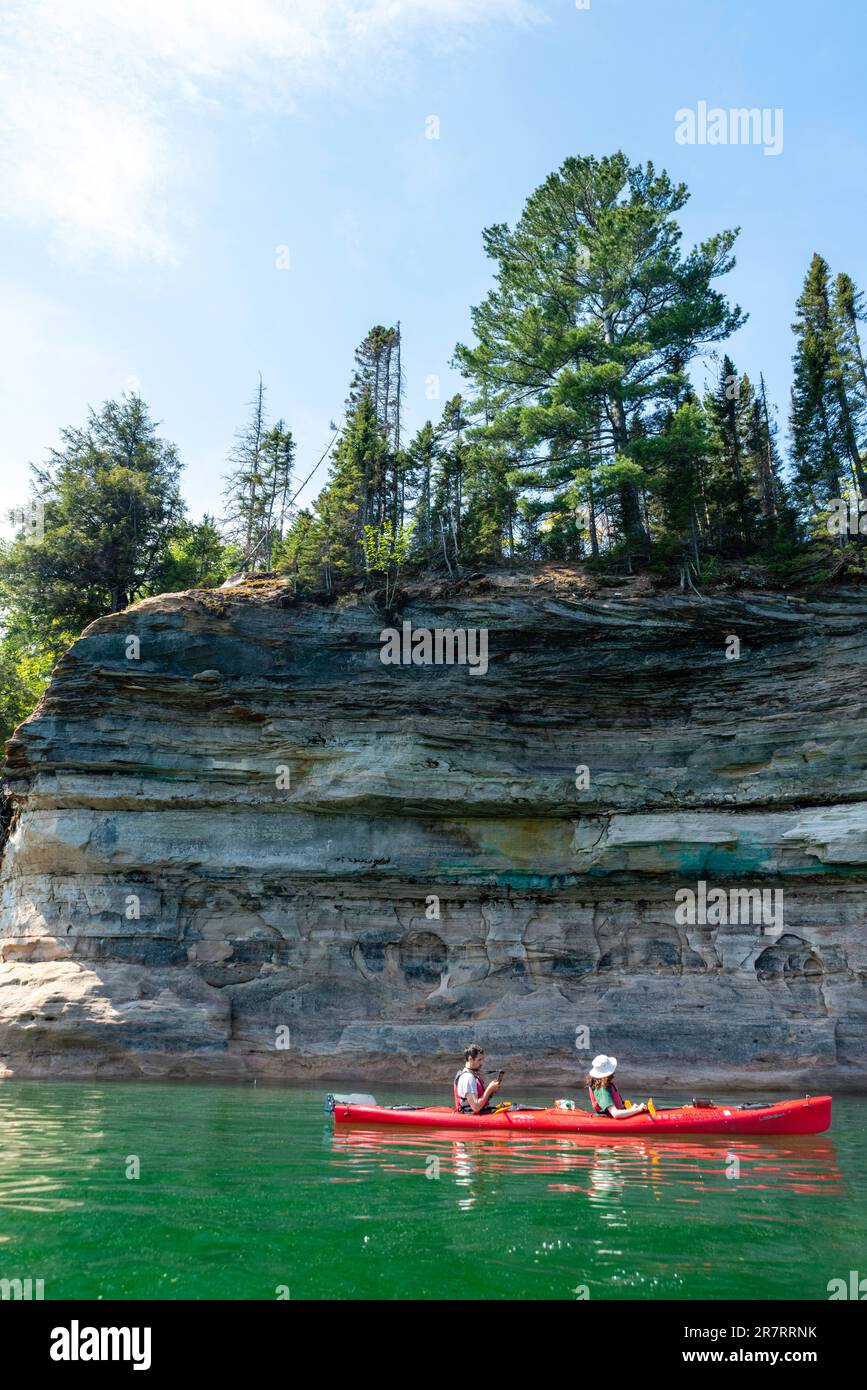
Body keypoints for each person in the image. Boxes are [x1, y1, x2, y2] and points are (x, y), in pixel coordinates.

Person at [453, 1044, 501, 1114]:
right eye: (479, 1060)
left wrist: (492, 1091)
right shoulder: (468, 1078)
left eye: (482, 1059)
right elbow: (475, 1107)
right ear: (470, 1059)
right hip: (470, 1117)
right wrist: (489, 1089)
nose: (482, 1063)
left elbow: (481, 1100)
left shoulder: (473, 1075)